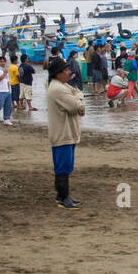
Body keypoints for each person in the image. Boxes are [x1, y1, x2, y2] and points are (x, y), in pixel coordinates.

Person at [47, 57, 86, 209]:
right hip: (62, 134)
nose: (69, 72)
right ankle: (63, 197)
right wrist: (79, 98)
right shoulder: (58, 89)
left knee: (66, 166)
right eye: (66, 70)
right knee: (63, 167)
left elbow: (76, 95)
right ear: (58, 73)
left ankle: (63, 195)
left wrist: (78, 97)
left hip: (66, 133)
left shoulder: (61, 86)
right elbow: (78, 107)